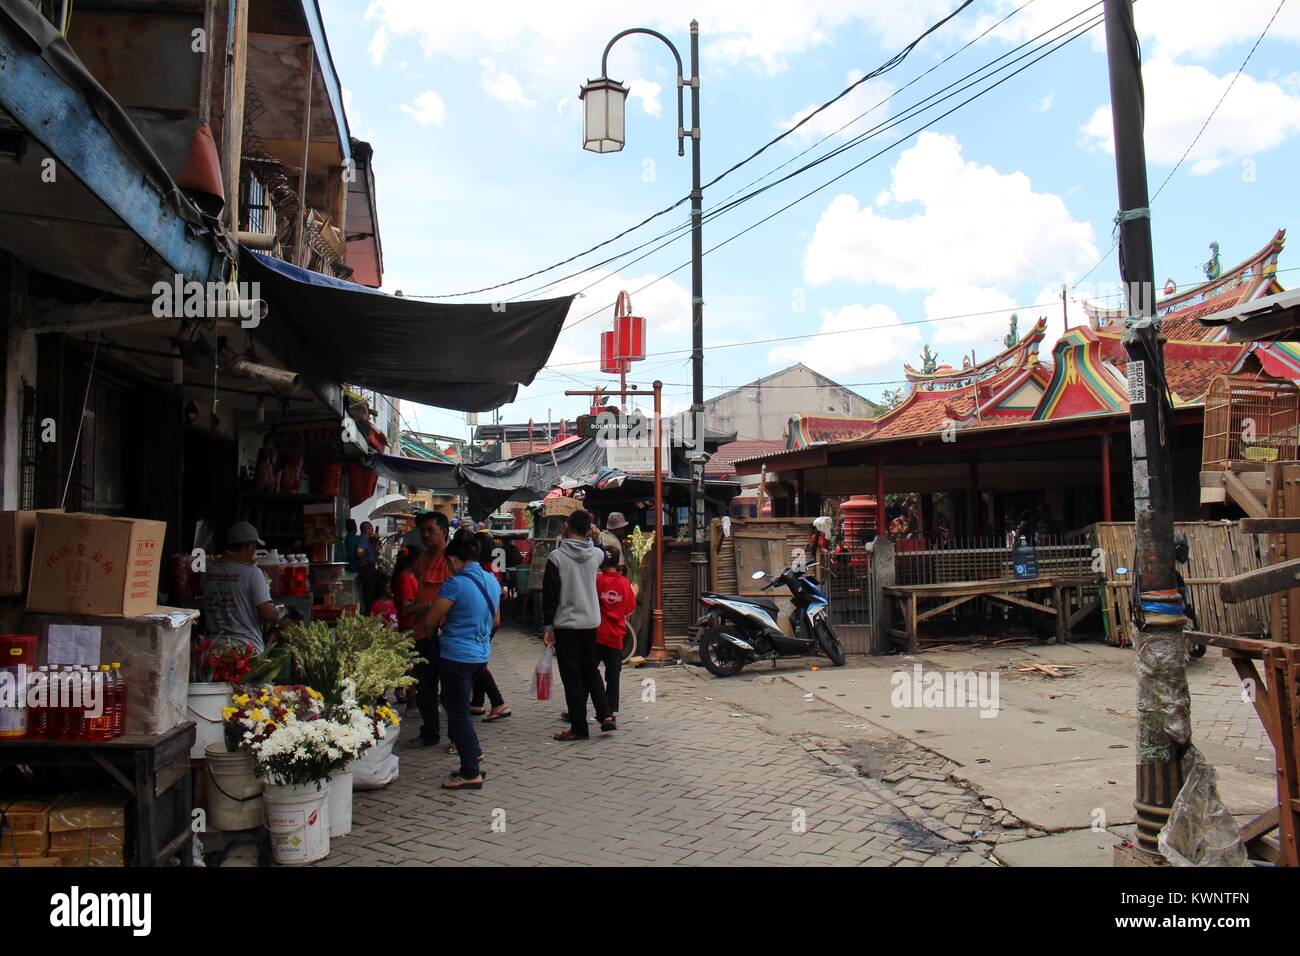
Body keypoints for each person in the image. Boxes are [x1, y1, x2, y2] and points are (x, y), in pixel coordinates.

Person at [427, 534, 500, 790]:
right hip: (480, 655)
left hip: (456, 656)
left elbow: (431, 620)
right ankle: (474, 752)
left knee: (458, 713)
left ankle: (471, 772)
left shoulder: (455, 584)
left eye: (448, 563)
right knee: (458, 708)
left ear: (453, 559)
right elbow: (497, 620)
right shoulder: (491, 580)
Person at [543, 510, 615, 740]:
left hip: (566, 624)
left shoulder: (556, 557)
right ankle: (605, 715)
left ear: (566, 526)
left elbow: (550, 596)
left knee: (572, 676)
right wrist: (595, 539)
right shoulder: (595, 554)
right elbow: (606, 555)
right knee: (591, 670)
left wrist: (547, 627)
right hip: (591, 621)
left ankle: (579, 728)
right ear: (587, 530)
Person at [403, 510, 451, 748]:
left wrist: (427, 607)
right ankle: (429, 733)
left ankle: (456, 738)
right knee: (424, 687)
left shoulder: (451, 561)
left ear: (444, 532)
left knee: (451, 691)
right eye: (423, 531)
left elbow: (455, 599)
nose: (426, 535)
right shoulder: (421, 560)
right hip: (421, 632)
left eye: (431, 530)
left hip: (444, 633)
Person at [202, 522, 281, 653]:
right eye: (254, 546)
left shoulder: (209, 571)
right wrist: (278, 614)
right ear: (249, 546)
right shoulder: (252, 573)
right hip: (246, 649)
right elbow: (266, 614)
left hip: (214, 649)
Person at [595, 548, 636, 716]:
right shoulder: (625, 583)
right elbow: (629, 608)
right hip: (616, 637)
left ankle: (577, 710)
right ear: (618, 563)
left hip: (597, 635)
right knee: (613, 676)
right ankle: (610, 711)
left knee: (588, 672)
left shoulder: (597, 580)